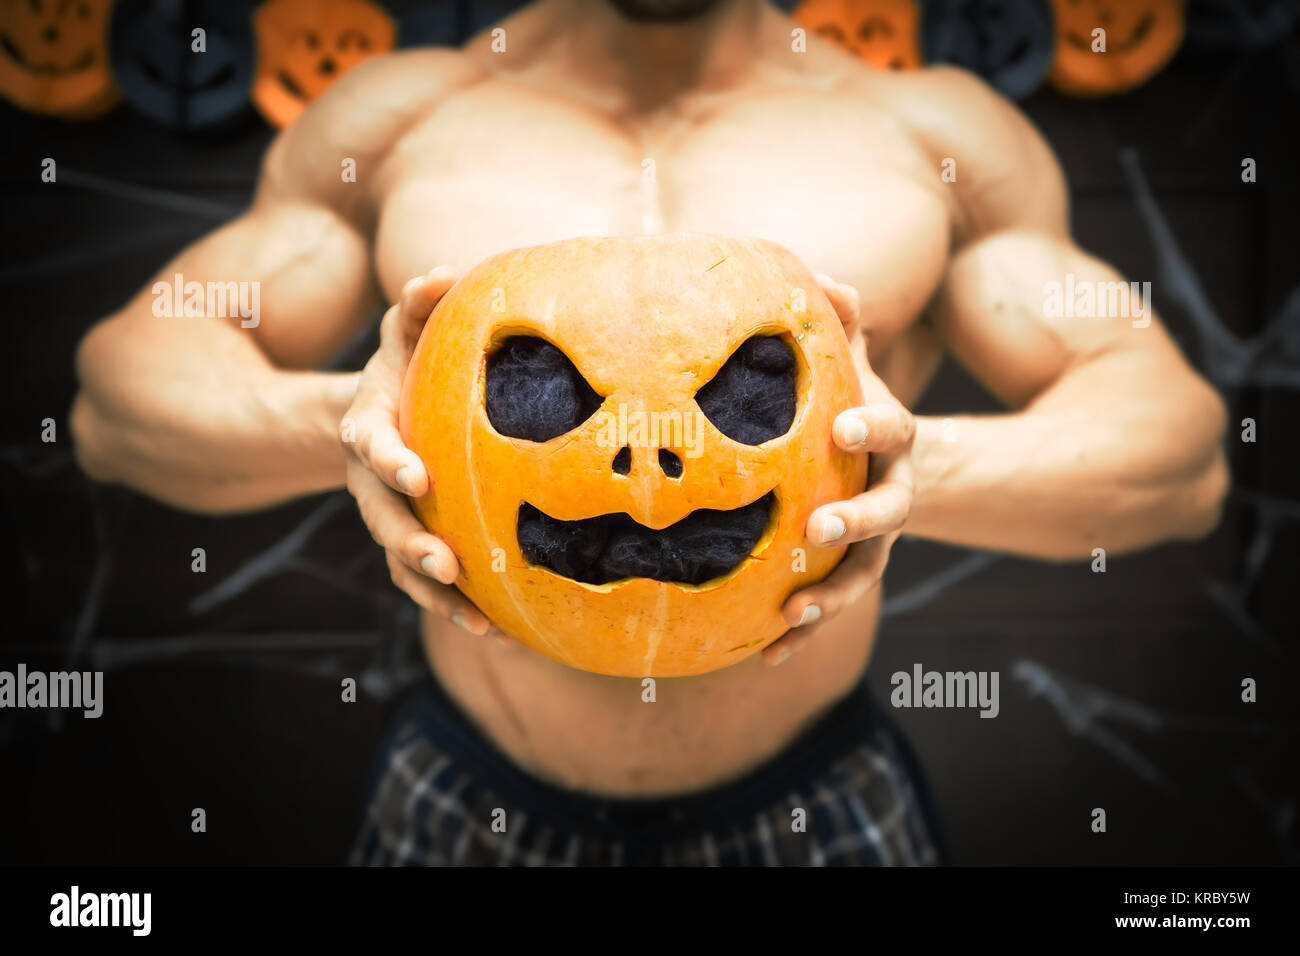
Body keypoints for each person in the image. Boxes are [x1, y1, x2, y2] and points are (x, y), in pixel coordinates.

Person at [71, 0, 1229, 865]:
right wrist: (360, 423)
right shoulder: (399, 117)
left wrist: (900, 460)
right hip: (470, 795)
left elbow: (1178, 454)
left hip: (813, 801)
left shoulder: (923, 131)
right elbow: (119, 405)